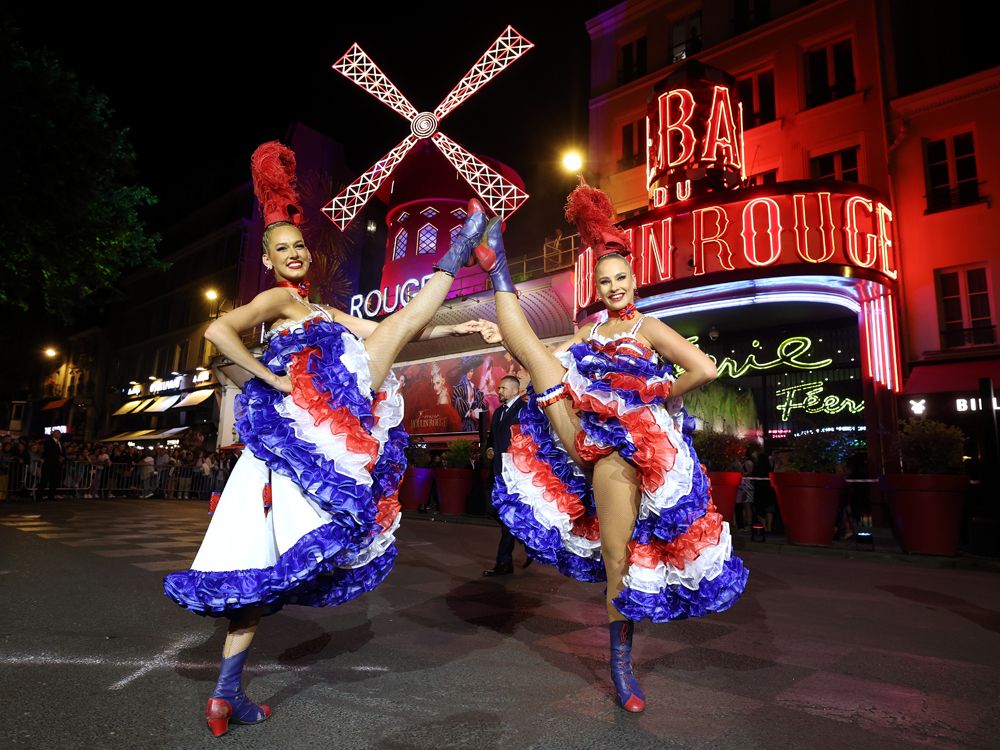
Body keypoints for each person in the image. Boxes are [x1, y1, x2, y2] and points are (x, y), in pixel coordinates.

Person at [163, 141, 491, 737]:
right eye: (281, 249)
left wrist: (458, 322)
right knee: (264, 569)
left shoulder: (320, 308)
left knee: (261, 574)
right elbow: (218, 329)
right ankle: (462, 246)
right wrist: (269, 376)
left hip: (315, 437)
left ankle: (224, 695)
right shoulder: (277, 299)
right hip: (304, 430)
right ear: (267, 259)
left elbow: (385, 328)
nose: (293, 254)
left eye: (298, 245)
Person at [473, 179, 747, 712]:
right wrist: (497, 337)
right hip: (591, 438)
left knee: (635, 554)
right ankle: (496, 265)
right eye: (604, 281)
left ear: (633, 280)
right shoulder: (592, 332)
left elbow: (704, 367)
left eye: (620, 278)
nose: (614, 287)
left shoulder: (648, 325)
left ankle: (623, 659)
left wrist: (657, 391)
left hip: (644, 446)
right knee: (534, 354)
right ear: (595, 288)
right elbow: (552, 351)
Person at [482, 375, 528, 577]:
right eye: (499, 387)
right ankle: (523, 536)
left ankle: (504, 563)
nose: (499, 391)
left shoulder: (525, 410)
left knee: (508, 517)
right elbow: (493, 437)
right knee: (491, 508)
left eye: (503, 388)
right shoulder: (499, 411)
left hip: (515, 472)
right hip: (497, 470)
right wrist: (490, 448)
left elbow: (529, 439)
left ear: (515, 390)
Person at [452, 367, 486, 432]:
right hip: (463, 422)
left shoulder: (475, 388)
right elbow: (455, 402)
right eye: (468, 371)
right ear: (464, 372)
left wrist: (475, 413)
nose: (470, 374)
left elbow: (481, 404)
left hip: (475, 422)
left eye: (471, 371)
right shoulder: (459, 388)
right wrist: (469, 413)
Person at [40, 429, 65, 501]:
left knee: (54, 481)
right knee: (44, 480)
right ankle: (40, 496)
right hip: (49, 463)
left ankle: (51, 496)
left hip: (57, 465)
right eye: (58, 433)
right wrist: (58, 457)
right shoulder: (48, 442)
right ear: (53, 434)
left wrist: (63, 458)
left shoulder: (60, 443)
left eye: (60, 433)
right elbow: (48, 452)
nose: (59, 435)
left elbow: (62, 452)